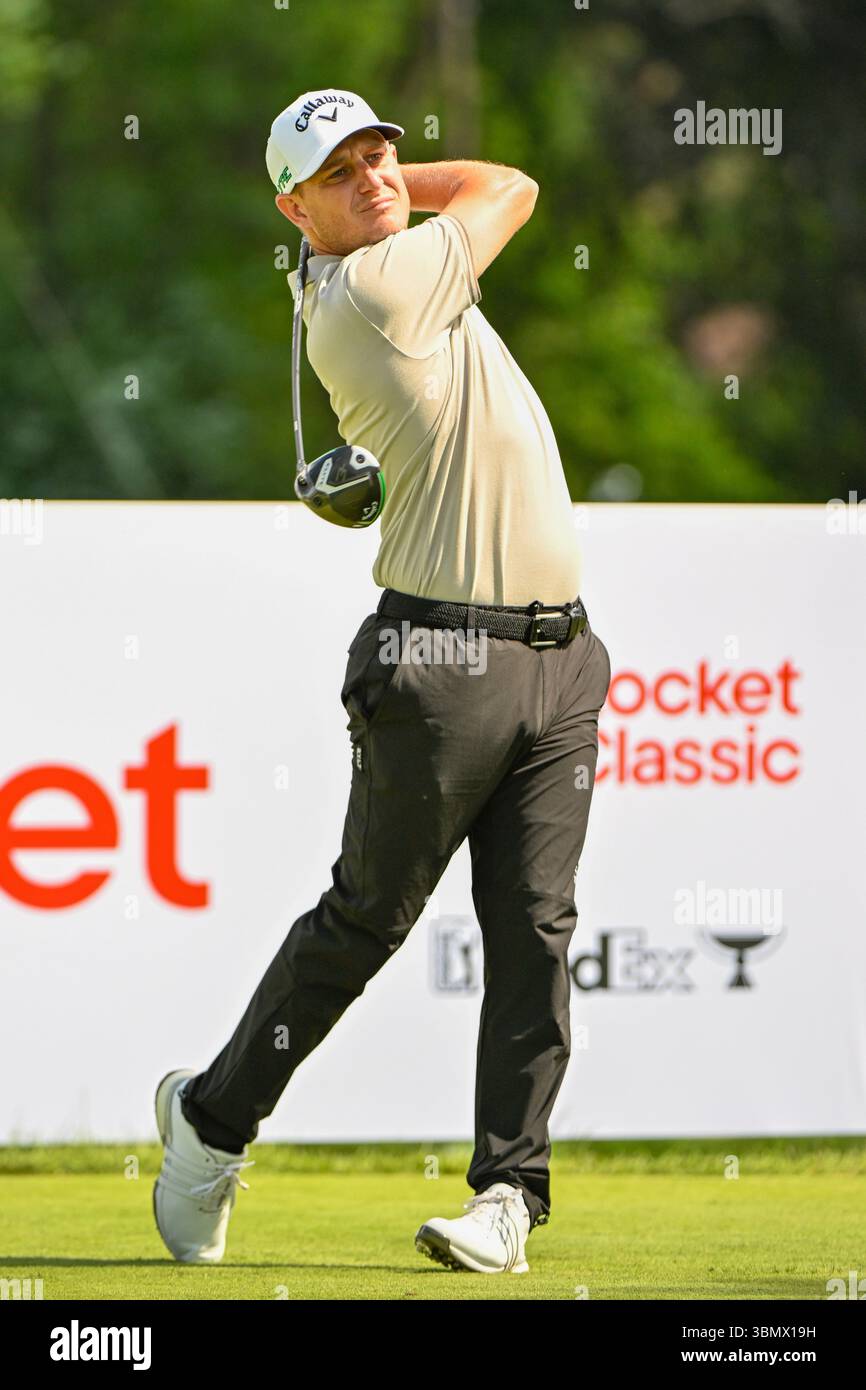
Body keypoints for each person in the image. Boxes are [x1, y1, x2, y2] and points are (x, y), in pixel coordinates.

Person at [153, 88, 612, 1276]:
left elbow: (452, 196)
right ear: (289, 208)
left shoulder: (391, 264)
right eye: (337, 171)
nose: (373, 178)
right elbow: (507, 183)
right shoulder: (375, 289)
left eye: (379, 155)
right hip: (441, 662)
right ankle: (210, 1124)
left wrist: (375, 188)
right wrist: (397, 197)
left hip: (561, 660)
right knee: (368, 919)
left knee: (533, 932)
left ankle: (508, 1198)